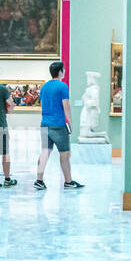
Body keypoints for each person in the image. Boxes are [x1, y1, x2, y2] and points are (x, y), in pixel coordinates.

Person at [35, 60, 83, 190]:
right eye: (64, 69)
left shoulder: (44, 86)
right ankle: (68, 181)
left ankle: (39, 180)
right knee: (65, 154)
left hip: (45, 124)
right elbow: (66, 107)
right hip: (58, 125)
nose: (65, 71)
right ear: (60, 72)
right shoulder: (63, 86)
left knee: (45, 151)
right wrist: (71, 124)